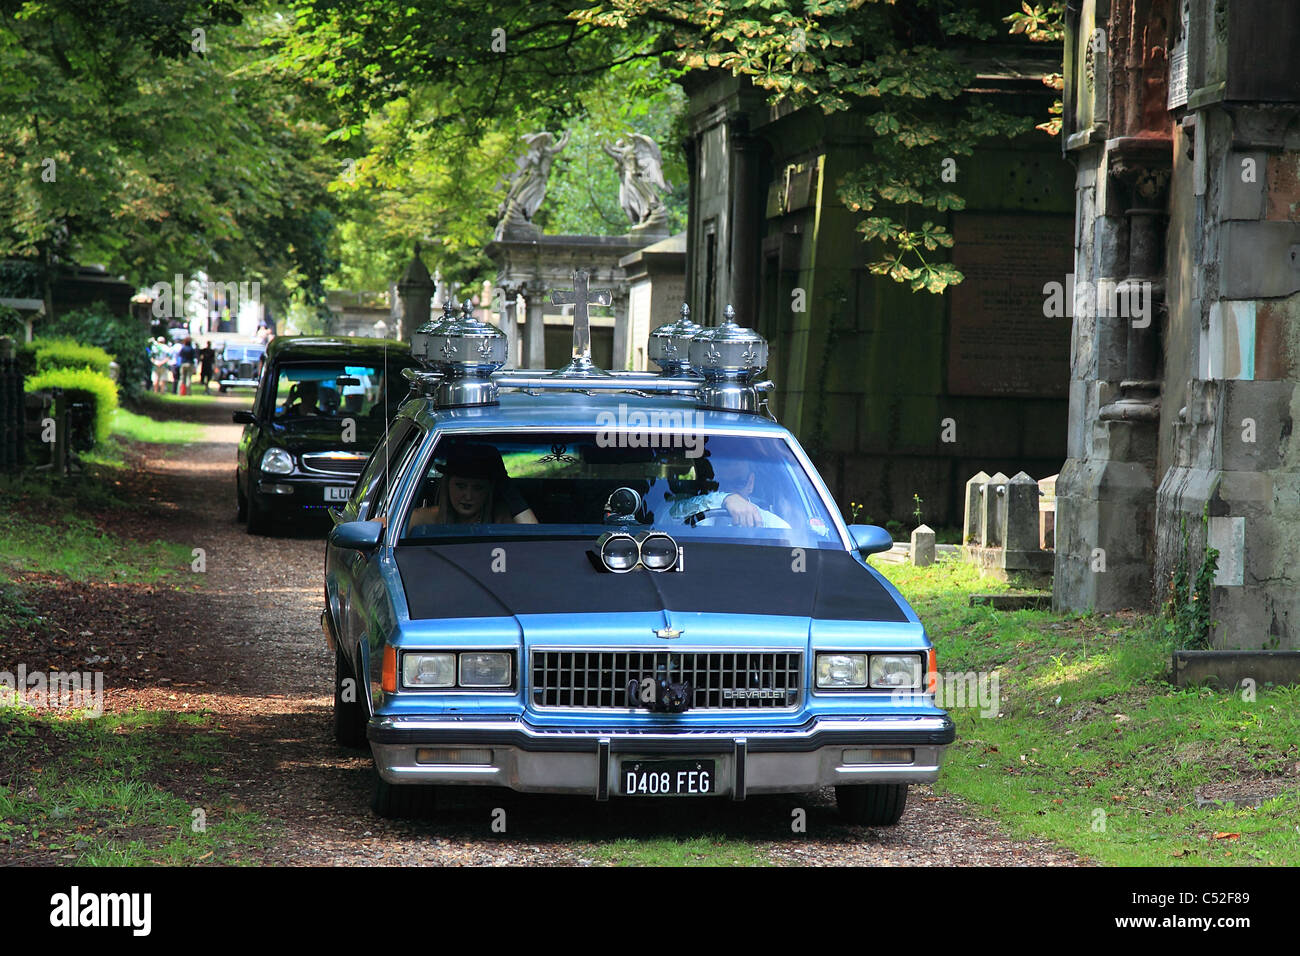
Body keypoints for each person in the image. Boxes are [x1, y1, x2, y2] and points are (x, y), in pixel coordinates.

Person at [405, 443, 538, 530]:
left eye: (478, 488)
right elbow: (385, 527)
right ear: (447, 485)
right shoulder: (424, 519)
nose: (468, 496)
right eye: (460, 486)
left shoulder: (500, 521)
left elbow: (535, 540)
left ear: (488, 490)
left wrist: (507, 487)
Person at [667, 455, 791, 529]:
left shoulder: (772, 525)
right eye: (721, 483)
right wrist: (724, 499)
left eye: (738, 483)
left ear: (750, 483)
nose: (729, 490)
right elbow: (668, 515)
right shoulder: (686, 508)